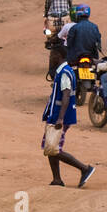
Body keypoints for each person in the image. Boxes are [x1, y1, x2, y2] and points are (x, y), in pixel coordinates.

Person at [42, 56, 96, 188]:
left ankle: (84, 168)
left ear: (58, 56)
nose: (50, 59)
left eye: (52, 56)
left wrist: (60, 118)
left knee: (54, 148)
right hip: (56, 114)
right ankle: (57, 179)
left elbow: (66, 94)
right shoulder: (64, 71)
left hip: (60, 116)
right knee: (50, 146)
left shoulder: (65, 72)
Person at [43, 0, 73, 80]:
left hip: (53, 20)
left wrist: (46, 15)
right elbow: (70, 5)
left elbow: (47, 6)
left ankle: (49, 41)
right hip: (65, 18)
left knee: (48, 33)